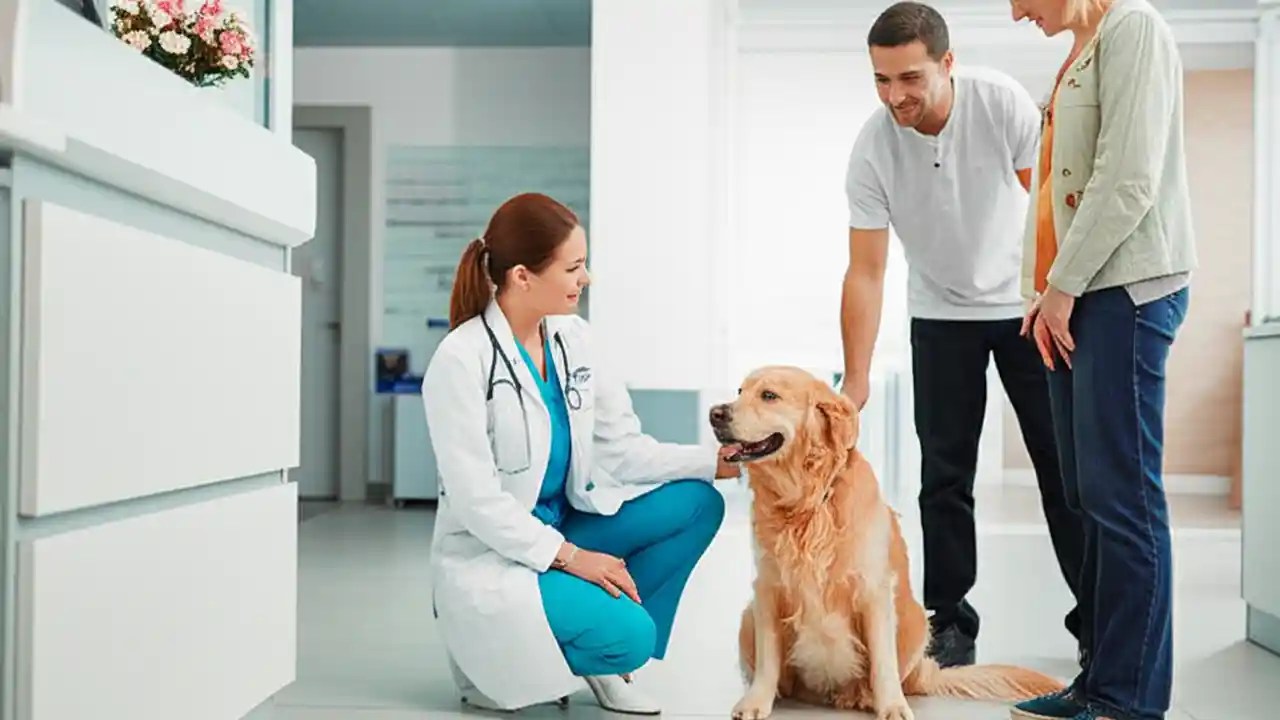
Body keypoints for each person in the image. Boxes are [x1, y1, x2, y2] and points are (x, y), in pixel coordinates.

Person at [420, 192, 740, 715]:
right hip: (496, 554)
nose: (585, 278)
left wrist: (714, 461)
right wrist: (574, 559)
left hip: (565, 525)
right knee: (632, 635)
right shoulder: (461, 360)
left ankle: (601, 650)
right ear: (523, 276)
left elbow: (625, 450)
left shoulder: (574, 339)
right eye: (573, 267)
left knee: (699, 505)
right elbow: (477, 504)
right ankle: (592, 649)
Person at [840, 1, 1086, 669]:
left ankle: (1094, 619)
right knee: (943, 478)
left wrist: (1059, 300)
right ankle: (949, 622)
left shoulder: (1000, 102)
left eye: (911, 78)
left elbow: (1049, 211)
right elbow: (866, 272)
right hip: (940, 317)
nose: (897, 97)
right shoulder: (873, 148)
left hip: (1024, 308)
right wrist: (854, 377)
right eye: (882, 81)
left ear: (948, 64)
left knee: (1063, 470)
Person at [1008, 0, 1196, 719]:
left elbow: (1128, 179)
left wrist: (1062, 289)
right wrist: (1042, 290)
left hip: (1124, 293)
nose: (1017, 11)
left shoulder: (1134, 28)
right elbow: (1056, 193)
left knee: (1123, 499)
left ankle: (1130, 698)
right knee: (1086, 497)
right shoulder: (1082, 49)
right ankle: (1097, 679)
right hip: (1078, 294)